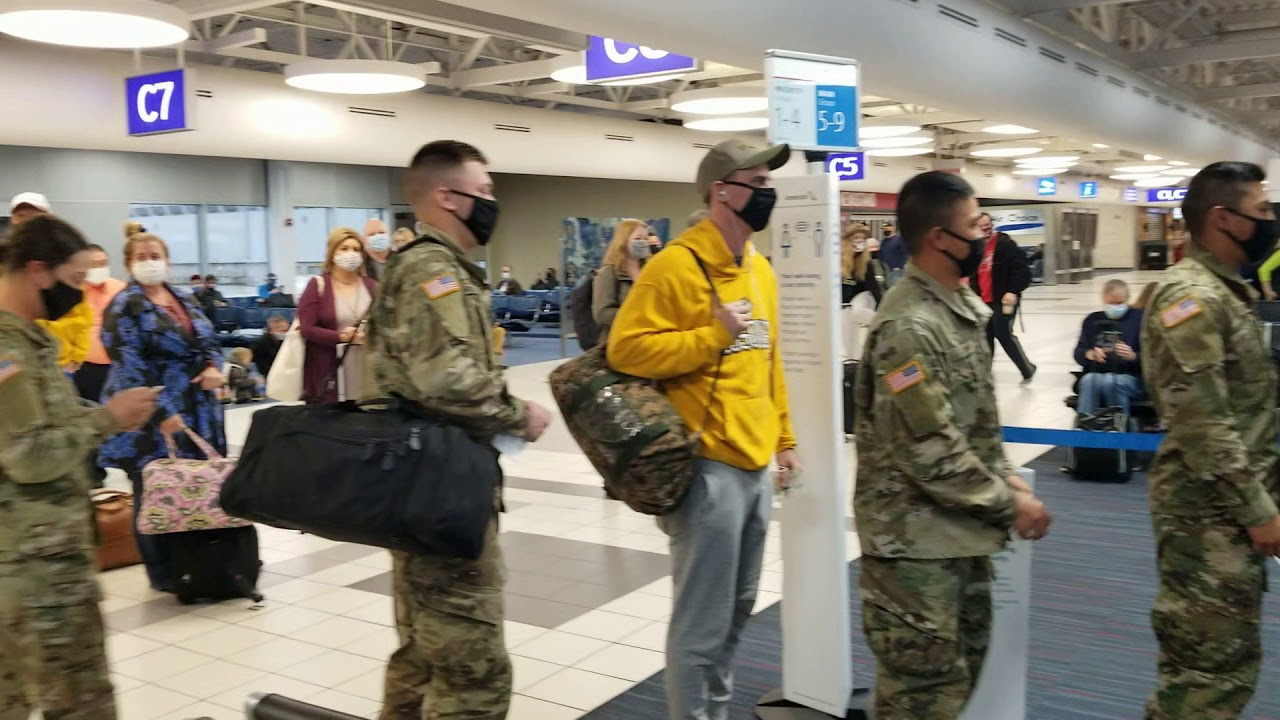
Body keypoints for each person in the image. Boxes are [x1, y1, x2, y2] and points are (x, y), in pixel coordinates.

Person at [608, 138, 800, 720]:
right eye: (758, 183)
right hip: (705, 469)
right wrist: (710, 334)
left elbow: (769, 362)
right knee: (701, 622)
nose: (768, 193)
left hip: (755, 465)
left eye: (770, 183)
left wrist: (785, 439)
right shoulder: (674, 267)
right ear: (722, 192)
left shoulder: (760, 270)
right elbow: (625, 350)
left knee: (737, 612)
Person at [854, 171, 1052, 720]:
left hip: (956, 539)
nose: (983, 236)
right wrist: (1014, 503)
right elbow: (932, 452)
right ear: (941, 237)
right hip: (913, 556)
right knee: (921, 699)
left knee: (952, 687)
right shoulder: (909, 328)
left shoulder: (957, 310)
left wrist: (1007, 476)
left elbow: (975, 426)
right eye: (974, 226)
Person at [365, 140, 551, 720]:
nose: (493, 202)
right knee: (473, 674)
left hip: (424, 488)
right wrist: (519, 414)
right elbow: (445, 378)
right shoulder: (432, 268)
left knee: (423, 657)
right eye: (486, 192)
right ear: (448, 196)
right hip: (440, 494)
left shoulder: (432, 266)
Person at [0, 214, 157, 720]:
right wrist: (109, 419)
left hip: (32, 564)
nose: (78, 294)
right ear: (38, 270)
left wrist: (104, 415)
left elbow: (47, 421)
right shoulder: (7, 350)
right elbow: (29, 456)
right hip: (39, 572)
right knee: (79, 704)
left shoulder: (29, 342)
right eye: (72, 281)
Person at [1140, 161, 1280, 720]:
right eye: (1263, 211)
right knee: (1205, 681)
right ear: (1223, 219)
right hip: (1208, 517)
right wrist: (1258, 509)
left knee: (1226, 669)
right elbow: (1202, 423)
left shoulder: (1229, 292)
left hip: (1229, 510)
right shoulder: (1189, 299)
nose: (1271, 220)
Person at [99, 221, 227, 593]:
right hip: (151, 409)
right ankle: (162, 570)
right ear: (129, 264)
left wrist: (212, 367)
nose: (150, 262)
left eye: (156, 256)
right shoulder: (124, 306)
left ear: (167, 261)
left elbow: (208, 340)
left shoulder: (183, 298)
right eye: (142, 257)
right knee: (154, 485)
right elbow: (128, 368)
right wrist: (161, 414)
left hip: (199, 406)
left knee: (194, 482)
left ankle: (198, 558)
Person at [297, 227, 376, 404]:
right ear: (332, 252)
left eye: (356, 249)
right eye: (344, 248)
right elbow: (307, 329)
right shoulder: (317, 285)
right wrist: (339, 336)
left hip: (366, 370)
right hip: (329, 371)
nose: (351, 254)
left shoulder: (372, 286)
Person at [968, 213, 1036, 383]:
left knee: (1003, 332)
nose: (985, 228)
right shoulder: (976, 249)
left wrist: (1013, 290)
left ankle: (1027, 369)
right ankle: (985, 374)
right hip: (984, 301)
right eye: (981, 225)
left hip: (1004, 299)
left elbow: (1023, 271)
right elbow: (974, 276)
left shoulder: (1005, 245)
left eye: (987, 224)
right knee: (986, 335)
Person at [1074, 279, 1144, 417]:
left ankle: (1117, 426)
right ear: (1104, 300)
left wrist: (1133, 356)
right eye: (1111, 303)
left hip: (1130, 375)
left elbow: (1153, 358)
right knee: (1089, 380)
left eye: (1120, 303)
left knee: (1111, 382)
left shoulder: (1140, 319)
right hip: (1097, 372)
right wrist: (1090, 354)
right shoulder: (1093, 320)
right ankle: (1085, 425)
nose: (1115, 307)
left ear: (1127, 300)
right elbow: (1078, 352)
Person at [592, 219, 650, 346]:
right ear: (624, 240)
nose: (643, 242)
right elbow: (602, 314)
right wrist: (636, 317)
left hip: (647, 341)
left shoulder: (649, 270)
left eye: (646, 239)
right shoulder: (609, 272)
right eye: (638, 238)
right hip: (619, 343)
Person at [841, 223, 884, 306]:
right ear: (847, 240)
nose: (860, 240)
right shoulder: (837, 262)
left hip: (857, 311)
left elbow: (874, 289)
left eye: (863, 238)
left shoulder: (866, 265)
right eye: (856, 237)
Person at [252, 314, 291, 378]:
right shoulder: (260, 343)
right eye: (283, 331)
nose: (286, 333)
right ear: (271, 330)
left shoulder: (289, 341)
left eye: (287, 330)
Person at [878, 221, 907, 286]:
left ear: (892, 228)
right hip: (886, 272)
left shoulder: (899, 239)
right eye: (884, 229)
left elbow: (905, 253)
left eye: (887, 228)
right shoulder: (883, 242)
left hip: (896, 272)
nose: (885, 230)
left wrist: (899, 266)